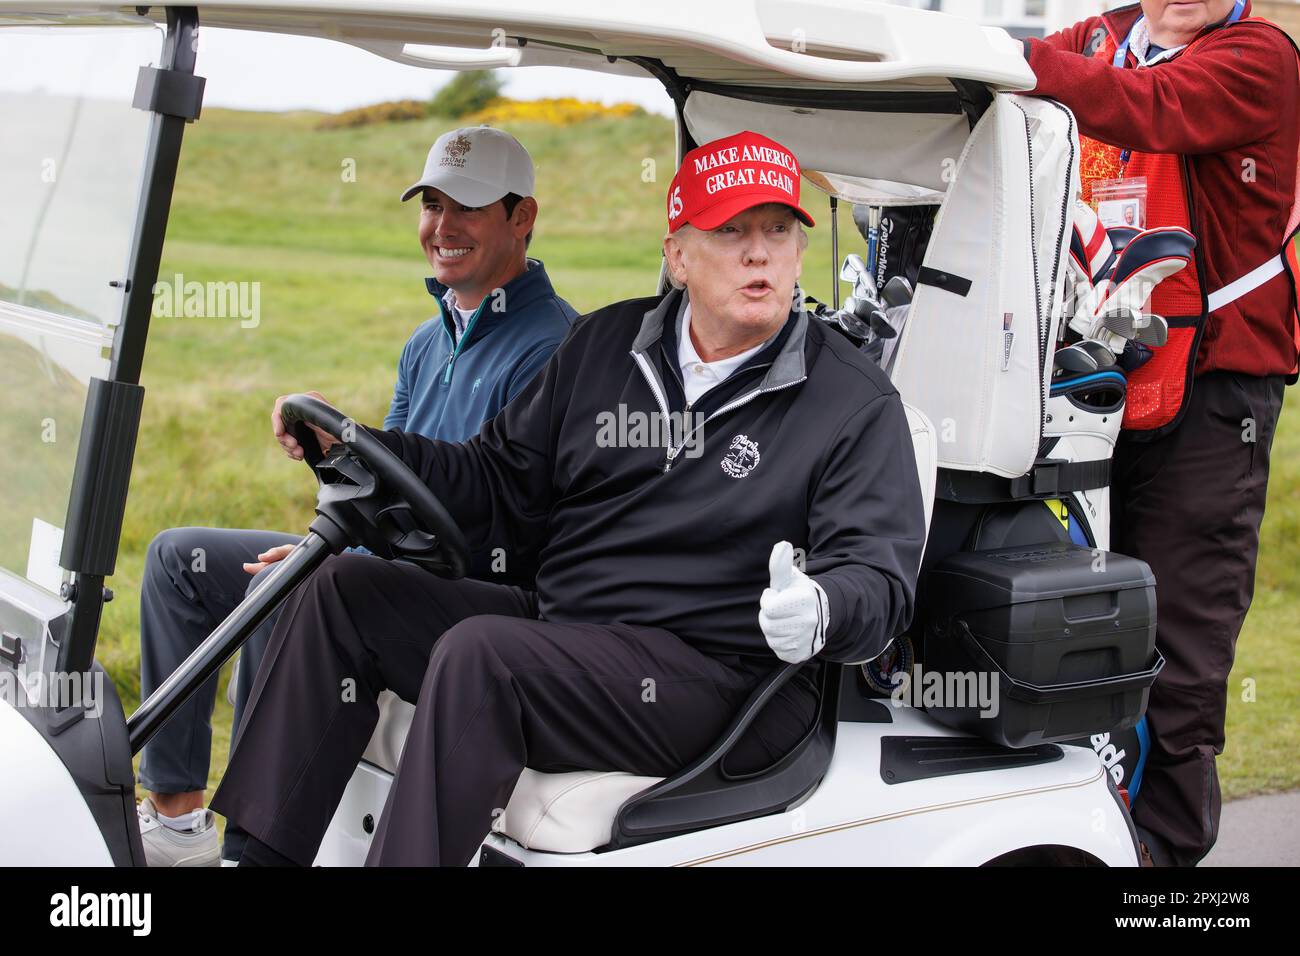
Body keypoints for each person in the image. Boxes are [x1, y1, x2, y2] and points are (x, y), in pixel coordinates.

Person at [209, 130, 928, 867]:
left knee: (485, 656)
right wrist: (366, 445)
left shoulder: (852, 400)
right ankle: (256, 859)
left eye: (779, 232)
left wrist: (823, 607)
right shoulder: (603, 346)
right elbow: (497, 481)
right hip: (568, 627)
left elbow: (877, 578)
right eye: (731, 231)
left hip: (727, 677)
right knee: (341, 592)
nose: (760, 255)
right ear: (677, 256)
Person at [135, 126, 576, 866]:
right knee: (178, 560)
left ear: (521, 217)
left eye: (466, 207)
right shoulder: (425, 341)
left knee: (294, 592)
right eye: (432, 204)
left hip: (472, 593)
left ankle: (263, 845)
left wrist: (327, 560)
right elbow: (395, 481)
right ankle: (178, 826)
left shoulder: (552, 346)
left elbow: (504, 525)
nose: (443, 228)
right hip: (389, 562)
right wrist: (334, 460)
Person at [1023, 0, 1300, 865]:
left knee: (1178, 648)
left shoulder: (1259, 55)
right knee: (1077, 627)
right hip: (1098, 384)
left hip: (1217, 397)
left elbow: (1150, 105)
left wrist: (1018, 68)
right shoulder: (1104, 35)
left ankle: (1168, 866)